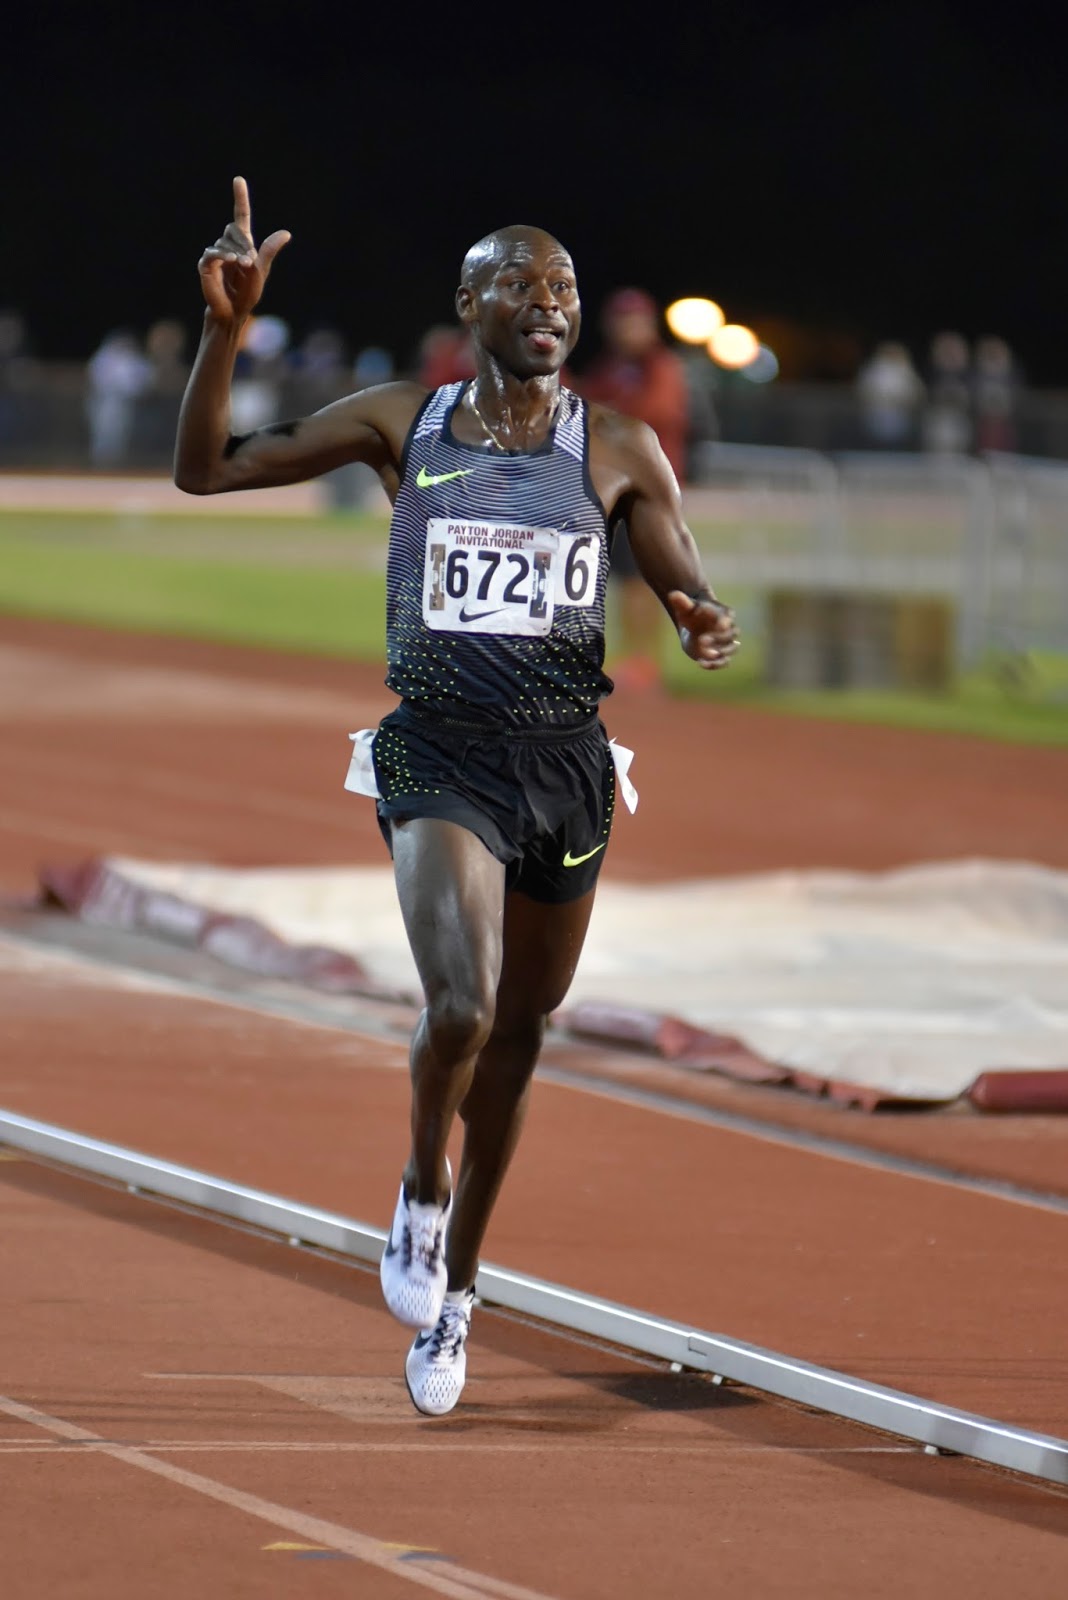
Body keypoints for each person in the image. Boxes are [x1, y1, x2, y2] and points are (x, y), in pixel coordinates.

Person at [174, 178, 738, 1417]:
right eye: (519, 283)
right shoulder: (405, 422)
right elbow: (205, 468)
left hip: (566, 767)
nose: (548, 302)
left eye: (564, 287)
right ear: (469, 303)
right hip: (439, 751)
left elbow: (677, 567)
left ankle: (462, 1289)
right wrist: (226, 331)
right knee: (464, 1005)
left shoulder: (618, 444)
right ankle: (422, 1185)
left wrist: (698, 612)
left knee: (520, 1037)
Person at [577, 288, 691, 691]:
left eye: (635, 322)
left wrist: (607, 412)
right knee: (616, 578)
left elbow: (654, 413)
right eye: (621, 322)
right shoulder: (611, 367)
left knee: (641, 578)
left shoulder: (660, 366)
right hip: (614, 488)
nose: (627, 330)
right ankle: (632, 659)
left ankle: (646, 663)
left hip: (648, 489)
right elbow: (582, 403)